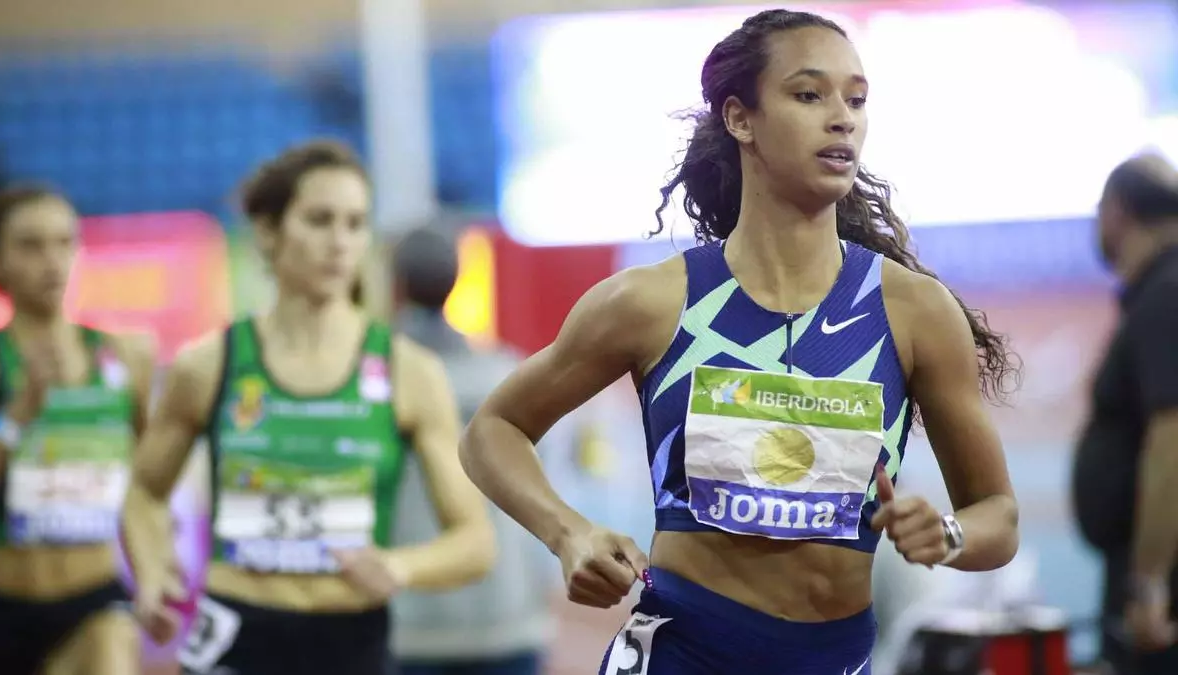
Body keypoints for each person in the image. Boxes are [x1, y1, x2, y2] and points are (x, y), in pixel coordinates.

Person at [459, 9, 1021, 674]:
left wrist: (949, 533)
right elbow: (491, 429)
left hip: (834, 657)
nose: (842, 117)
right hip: (682, 651)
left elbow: (999, 516)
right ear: (739, 118)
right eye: (809, 94)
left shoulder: (914, 310)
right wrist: (568, 531)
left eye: (857, 98)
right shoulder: (650, 303)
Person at [120, 140, 496, 675]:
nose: (339, 242)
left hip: (348, 637)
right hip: (235, 627)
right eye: (319, 220)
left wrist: (398, 565)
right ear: (269, 233)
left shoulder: (407, 371)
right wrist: (153, 572)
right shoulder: (208, 365)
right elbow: (143, 493)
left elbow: (475, 541)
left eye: (354, 223)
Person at [0, 186, 150, 674]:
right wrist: (15, 418)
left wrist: (153, 577)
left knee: (112, 646)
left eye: (63, 242)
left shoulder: (125, 357)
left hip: (92, 599)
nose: (52, 261)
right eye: (30, 246)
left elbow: (142, 489)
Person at [389, 227, 555, 675]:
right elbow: (547, 488)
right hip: (507, 613)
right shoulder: (509, 374)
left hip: (408, 621)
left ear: (395, 286)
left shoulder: (376, 383)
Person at [1072, 153, 1178, 675]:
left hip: (1163, 599)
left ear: (1117, 211)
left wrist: (1149, 582)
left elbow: (1173, 439)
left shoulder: (1168, 292)